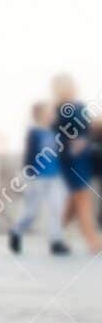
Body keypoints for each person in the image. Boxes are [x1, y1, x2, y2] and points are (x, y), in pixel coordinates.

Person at [51, 74, 101, 253]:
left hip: (84, 158)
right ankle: (94, 242)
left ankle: (55, 234)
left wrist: (83, 140)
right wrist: (70, 142)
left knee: (75, 199)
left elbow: (87, 130)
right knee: (82, 198)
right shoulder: (58, 110)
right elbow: (56, 136)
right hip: (71, 160)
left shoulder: (78, 106)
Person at [10, 101, 69, 255]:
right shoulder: (34, 133)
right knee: (32, 211)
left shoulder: (55, 132)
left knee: (57, 208)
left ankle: (56, 241)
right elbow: (29, 156)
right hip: (37, 178)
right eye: (49, 112)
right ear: (40, 114)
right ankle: (16, 231)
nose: (52, 115)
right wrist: (27, 175)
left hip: (55, 177)